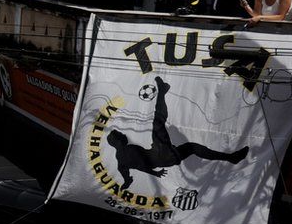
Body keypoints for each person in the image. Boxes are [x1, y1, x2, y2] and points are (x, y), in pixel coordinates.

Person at [107, 77, 249, 190]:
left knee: (192, 147)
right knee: (157, 123)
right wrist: (154, 173)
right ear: (117, 141)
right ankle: (162, 91)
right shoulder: (125, 152)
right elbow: (141, 165)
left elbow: (125, 175)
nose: (123, 135)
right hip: (161, 154)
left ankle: (231, 158)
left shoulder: (121, 160)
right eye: (120, 135)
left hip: (168, 158)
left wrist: (127, 182)